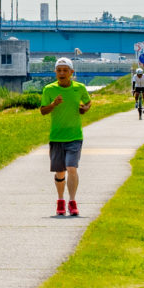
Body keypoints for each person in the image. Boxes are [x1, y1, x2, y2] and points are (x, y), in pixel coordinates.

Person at [39, 58, 92, 217]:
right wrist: (53, 104)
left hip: (74, 136)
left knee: (71, 168)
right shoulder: (49, 89)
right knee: (60, 172)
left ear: (71, 72)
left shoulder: (79, 88)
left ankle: (72, 201)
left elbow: (88, 102)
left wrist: (85, 108)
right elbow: (43, 111)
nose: (62, 73)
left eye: (65, 70)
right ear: (55, 72)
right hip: (57, 137)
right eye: (59, 70)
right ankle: (60, 200)